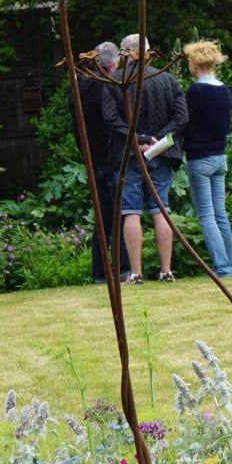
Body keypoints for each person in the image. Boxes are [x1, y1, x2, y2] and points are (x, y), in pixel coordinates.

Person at [102, 33, 188, 284]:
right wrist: (155, 140)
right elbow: (182, 118)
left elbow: (111, 120)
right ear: (149, 52)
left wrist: (138, 139)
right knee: (161, 209)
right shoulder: (168, 80)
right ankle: (166, 271)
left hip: (127, 154)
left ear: (125, 54)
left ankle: (136, 273)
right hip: (160, 152)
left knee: (131, 212)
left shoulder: (114, 82)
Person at [68, 41, 131, 284]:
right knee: (119, 214)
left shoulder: (77, 86)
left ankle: (99, 272)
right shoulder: (105, 86)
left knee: (102, 218)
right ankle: (122, 268)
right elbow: (112, 120)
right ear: (112, 66)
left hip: (90, 157)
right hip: (110, 155)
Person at [182, 40, 232, 278]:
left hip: (200, 158)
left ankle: (222, 268)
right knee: (220, 213)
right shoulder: (224, 89)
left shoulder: (196, 91)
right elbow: (226, 124)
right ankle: (229, 263)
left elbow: (186, 123)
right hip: (220, 157)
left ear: (195, 63)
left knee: (206, 215)